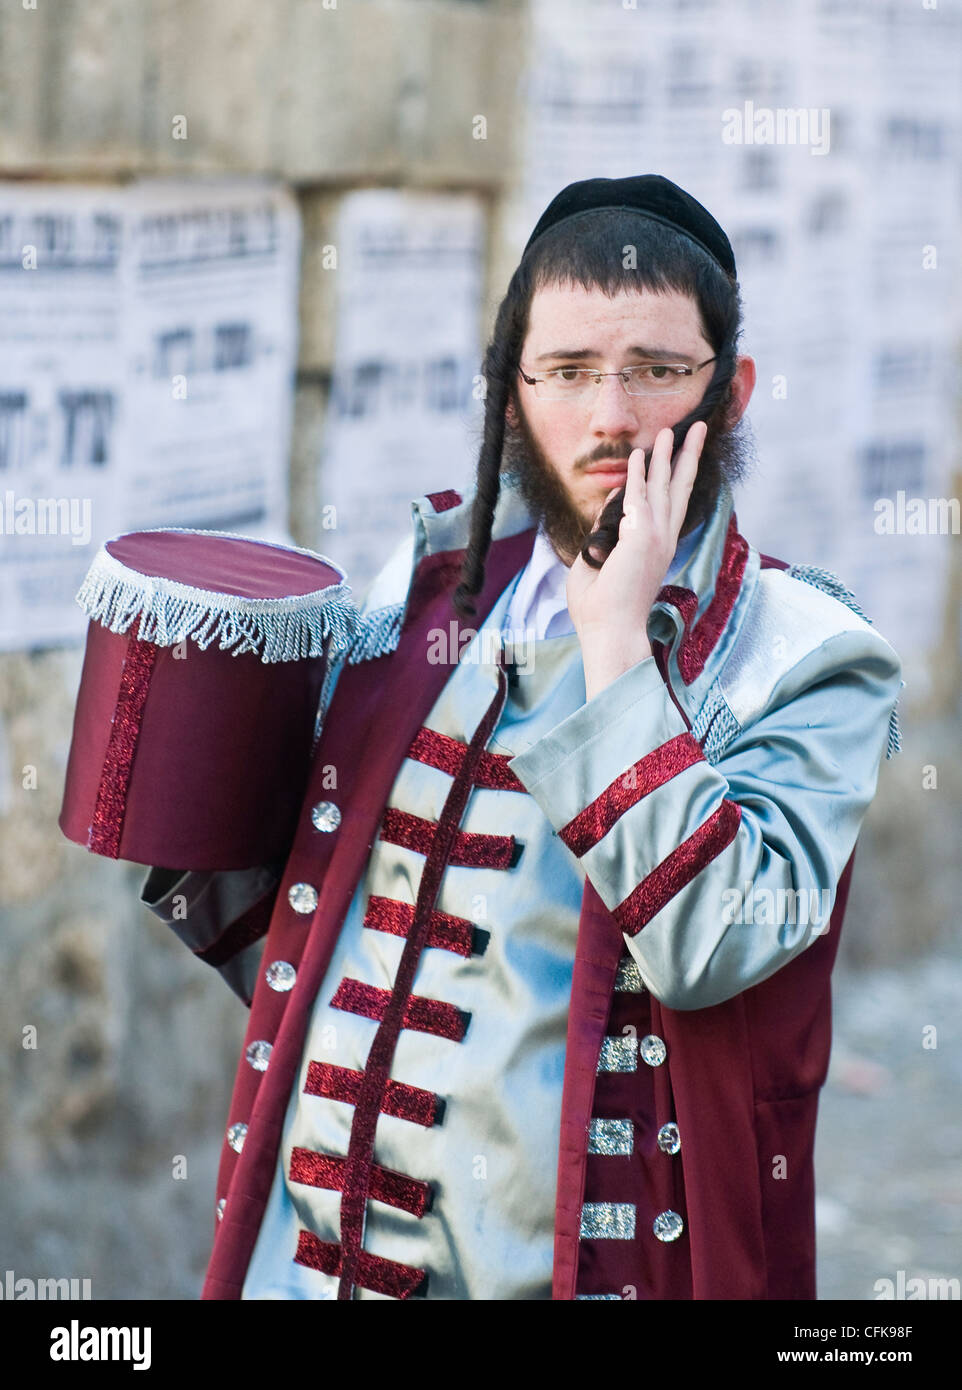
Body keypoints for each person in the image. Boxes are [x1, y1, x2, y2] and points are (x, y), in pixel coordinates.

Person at [139, 175, 903, 1301]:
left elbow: (711, 950)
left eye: (655, 370)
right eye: (568, 371)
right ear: (509, 392)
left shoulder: (805, 654)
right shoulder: (430, 589)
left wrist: (613, 658)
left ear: (728, 394)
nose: (609, 415)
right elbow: (323, 945)